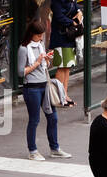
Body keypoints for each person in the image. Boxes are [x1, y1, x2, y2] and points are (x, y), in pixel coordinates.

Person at [19, 18, 71, 161]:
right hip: (32, 88)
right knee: (34, 120)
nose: (41, 38)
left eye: (42, 35)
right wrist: (36, 63)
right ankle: (32, 150)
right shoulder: (24, 49)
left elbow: (44, 68)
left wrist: (46, 60)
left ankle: (55, 148)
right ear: (31, 34)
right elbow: (20, 72)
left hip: (44, 85)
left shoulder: (40, 46)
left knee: (53, 117)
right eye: (38, 35)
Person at [48, 0, 82, 106]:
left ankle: (65, 94)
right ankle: (58, 96)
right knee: (62, 67)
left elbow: (75, 8)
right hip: (61, 35)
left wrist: (78, 13)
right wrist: (72, 22)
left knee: (67, 67)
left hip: (69, 36)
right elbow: (58, 16)